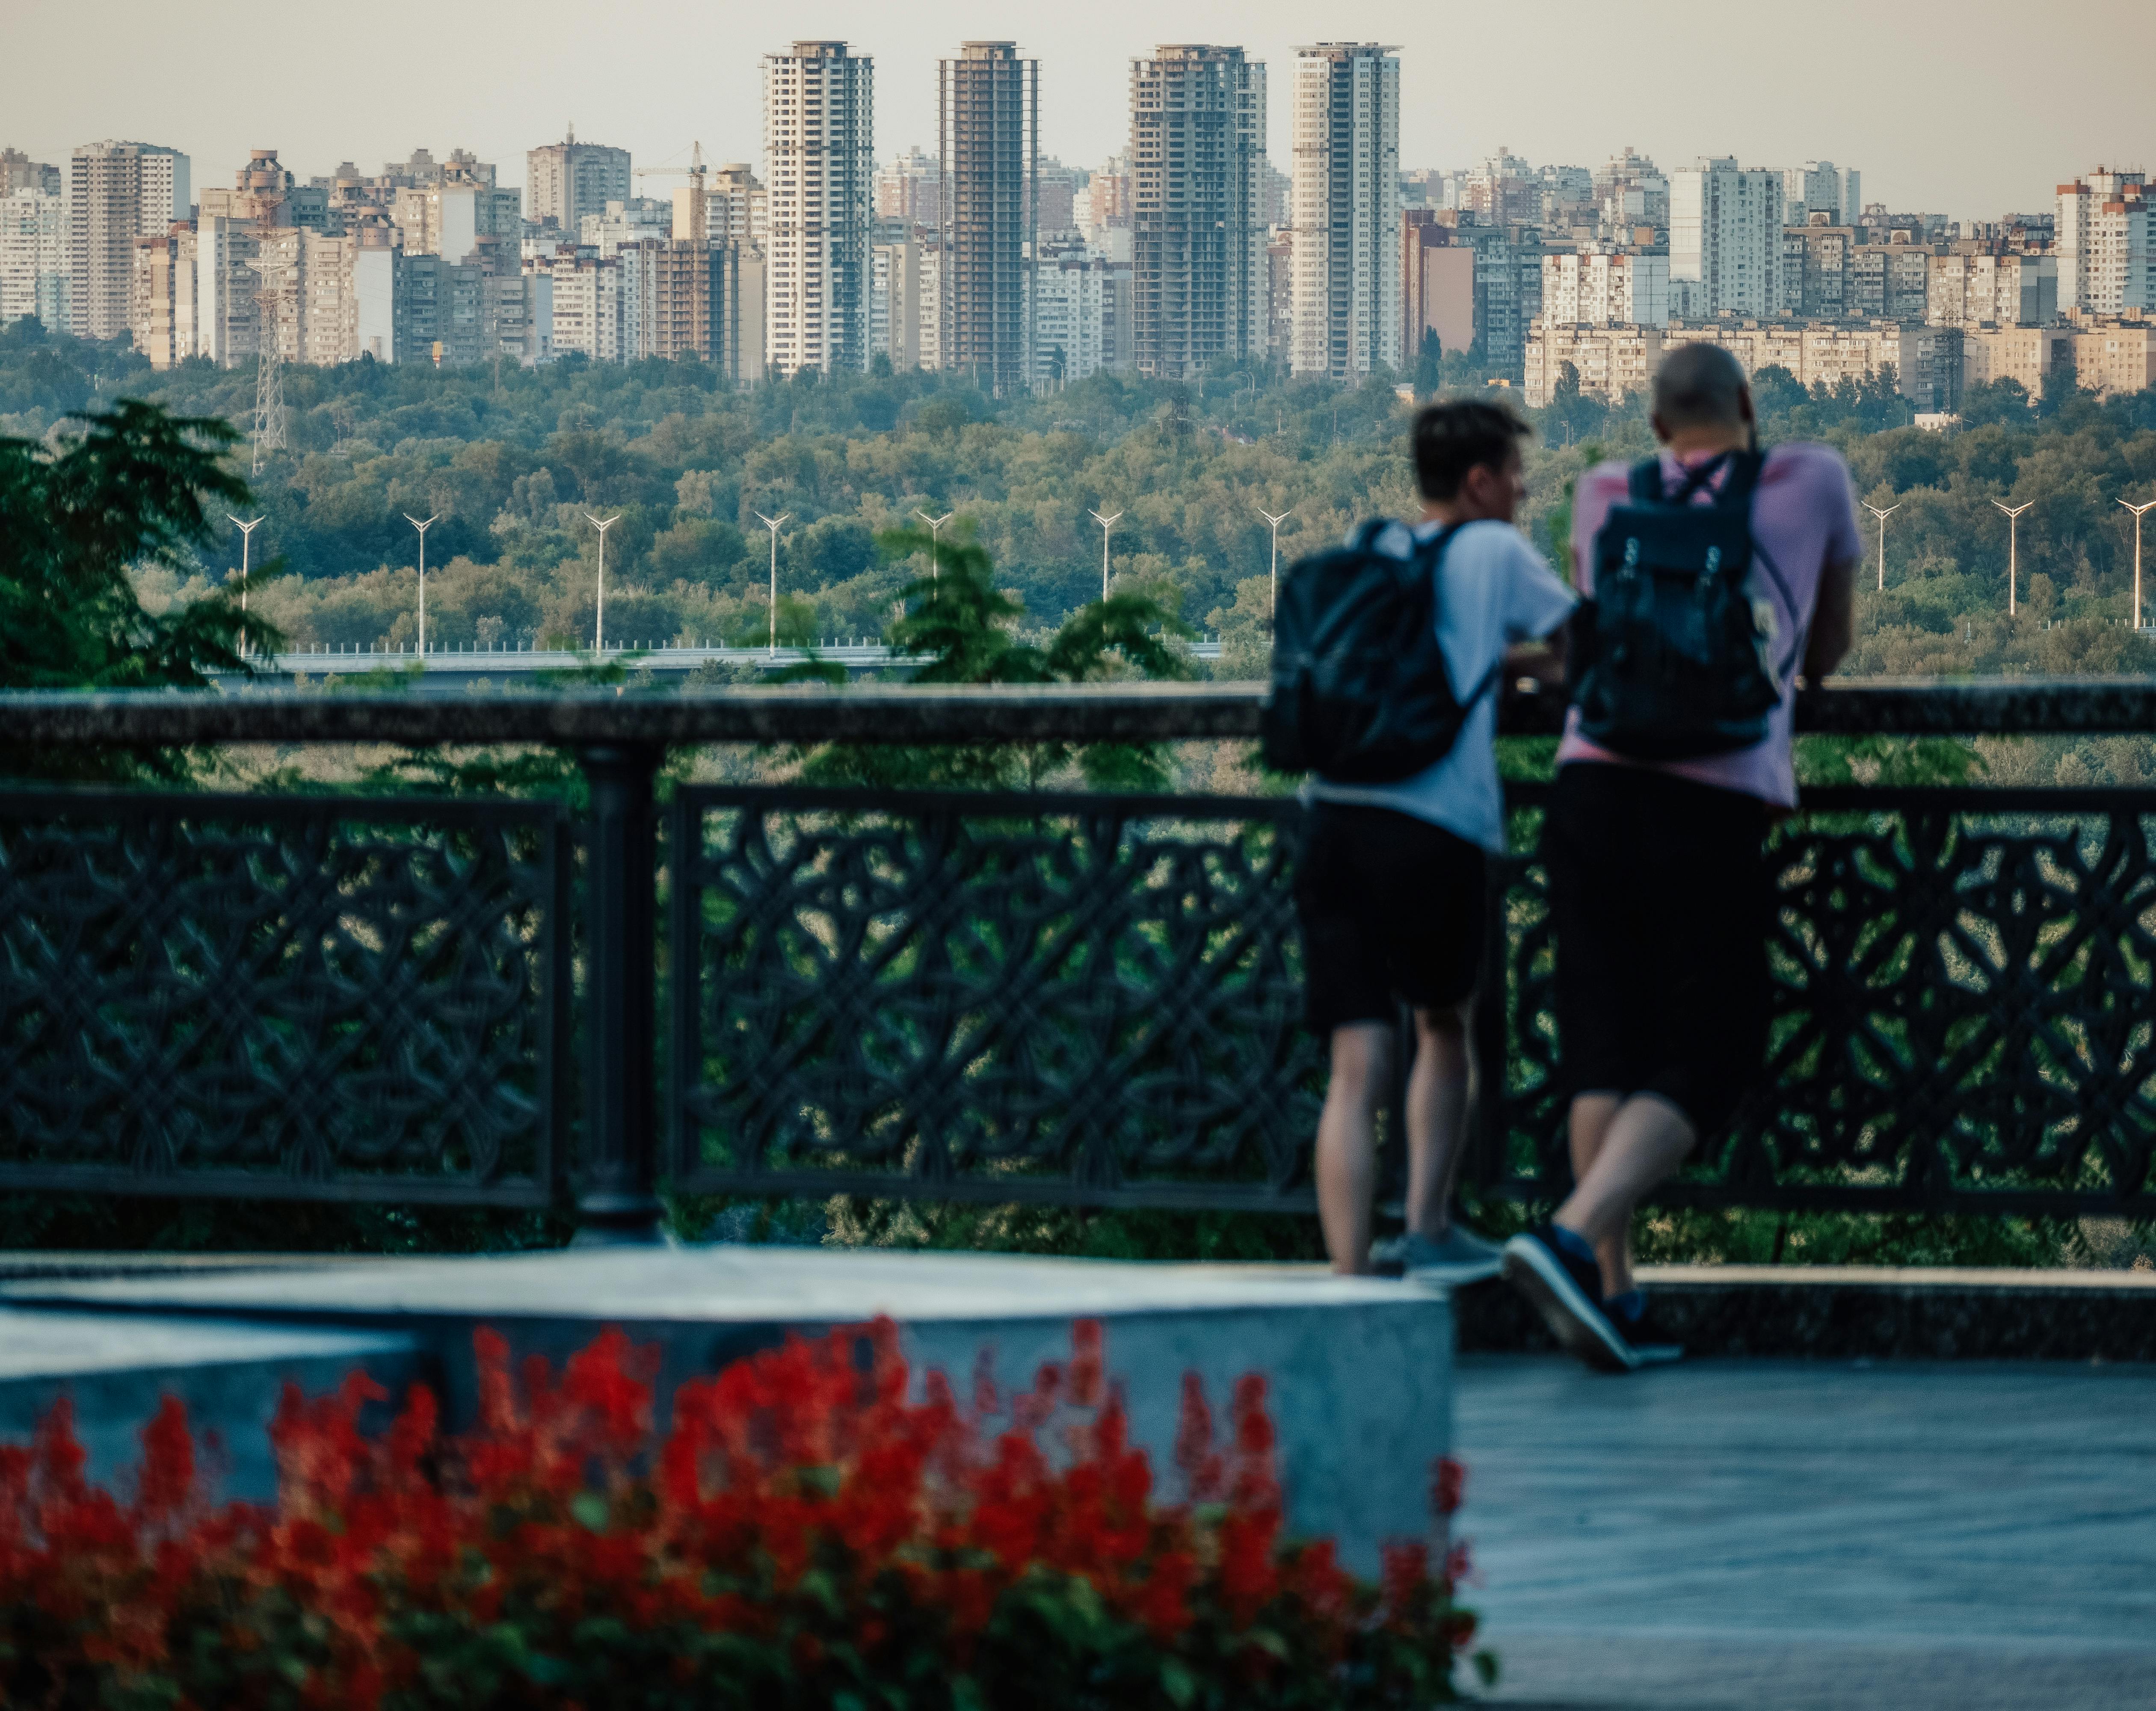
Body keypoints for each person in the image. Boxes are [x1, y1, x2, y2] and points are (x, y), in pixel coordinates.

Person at [1500, 343, 1859, 1370]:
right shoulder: (1813, 477)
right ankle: (1573, 1238)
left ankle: (1615, 1298)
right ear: (1746, 404)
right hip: (1713, 798)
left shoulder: (1603, 490)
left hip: (1592, 787)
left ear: (1657, 426)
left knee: (1603, 1037)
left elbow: (1603, 637)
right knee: (1716, 1040)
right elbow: (1824, 650)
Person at [1298, 399, 1575, 1282]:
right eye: (1518, 476)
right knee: (1442, 1024)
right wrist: (1509, 665)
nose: (1525, 493)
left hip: (1334, 812)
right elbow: (1584, 648)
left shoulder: (1374, 541)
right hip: (1435, 820)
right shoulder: (1495, 549)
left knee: (1356, 1056)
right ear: (1480, 479)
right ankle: (1427, 1221)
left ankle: (1348, 1267)